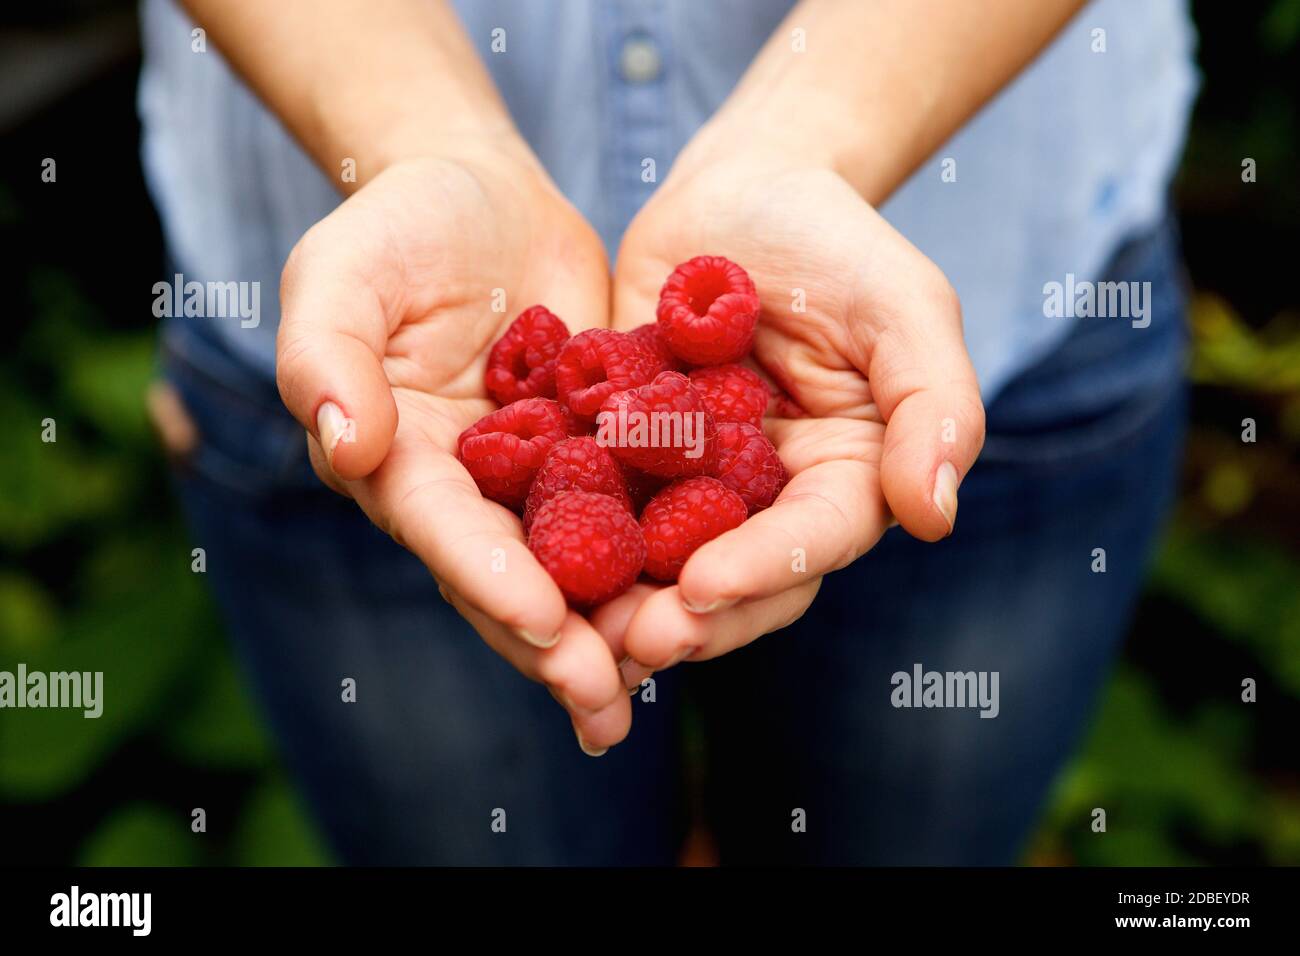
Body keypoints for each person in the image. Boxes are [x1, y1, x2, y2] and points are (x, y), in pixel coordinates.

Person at [141, 0, 1198, 864]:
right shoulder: (579, 427)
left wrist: (814, 140)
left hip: (1000, 304)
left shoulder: (711, 413)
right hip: (369, 329)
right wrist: (419, 141)